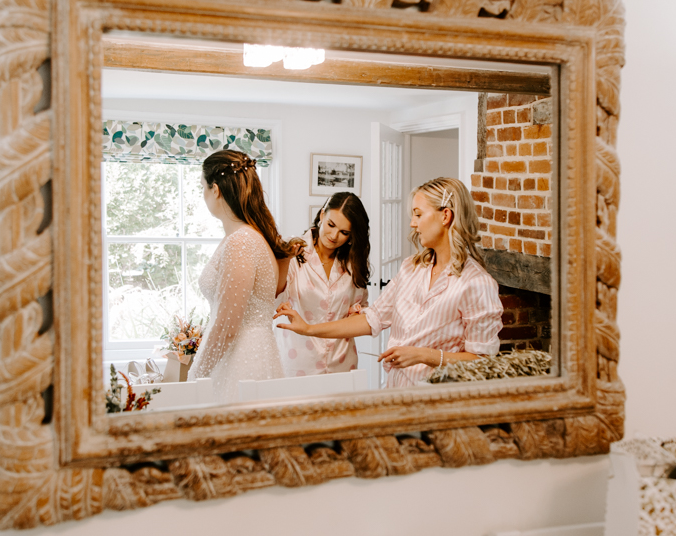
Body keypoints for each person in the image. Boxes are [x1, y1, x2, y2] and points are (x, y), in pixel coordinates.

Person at [276, 177, 503, 388]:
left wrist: (423, 355)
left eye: (418, 214)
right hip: (396, 390)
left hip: (438, 399)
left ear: (445, 216)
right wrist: (309, 329)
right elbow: (373, 318)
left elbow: (483, 362)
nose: (412, 223)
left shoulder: (477, 284)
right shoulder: (410, 268)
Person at [188, 150, 298, 403]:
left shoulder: (242, 242)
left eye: (202, 187)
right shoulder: (247, 237)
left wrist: (197, 377)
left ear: (215, 190)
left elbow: (227, 326)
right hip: (249, 355)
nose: (203, 194)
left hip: (240, 362)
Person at [276, 192, 370, 377]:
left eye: (344, 232)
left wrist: (357, 312)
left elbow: (360, 307)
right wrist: (285, 260)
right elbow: (276, 296)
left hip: (342, 361)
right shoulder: (292, 250)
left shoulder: (353, 262)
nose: (334, 236)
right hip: (298, 360)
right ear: (321, 215)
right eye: (331, 225)